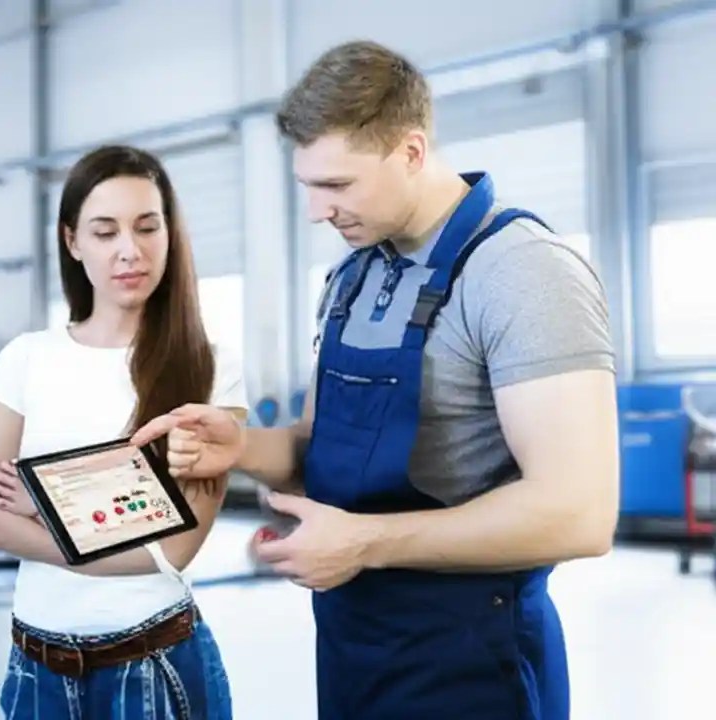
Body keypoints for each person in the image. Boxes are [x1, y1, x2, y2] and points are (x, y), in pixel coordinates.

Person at [132, 40, 620, 719]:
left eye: (336, 185)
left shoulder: (523, 273)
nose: (316, 210)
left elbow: (580, 513)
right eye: (308, 185)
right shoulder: (354, 274)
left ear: (412, 153)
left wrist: (366, 543)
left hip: (474, 660)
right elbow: (318, 447)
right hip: (354, 650)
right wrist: (241, 449)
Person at [0, 144, 248, 719]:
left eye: (147, 227)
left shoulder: (210, 368)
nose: (129, 251)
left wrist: (43, 506)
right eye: (104, 232)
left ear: (170, 232)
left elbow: (173, 554)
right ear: (72, 241)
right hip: (36, 670)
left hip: (154, 665)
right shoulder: (27, 358)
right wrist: (116, 519)